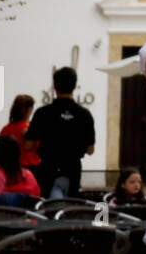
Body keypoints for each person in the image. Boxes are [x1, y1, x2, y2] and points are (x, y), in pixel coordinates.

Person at [25, 68, 95, 199]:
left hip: (48, 169)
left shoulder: (42, 113)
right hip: (73, 170)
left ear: (54, 86)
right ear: (75, 86)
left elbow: (28, 145)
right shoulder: (84, 115)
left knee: (48, 207)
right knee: (71, 207)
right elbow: (90, 150)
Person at [0, 95, 40, 170]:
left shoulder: (5, 129)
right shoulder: (30, 128)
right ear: (29, 109)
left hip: (10, 168)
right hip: (30, 167)